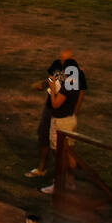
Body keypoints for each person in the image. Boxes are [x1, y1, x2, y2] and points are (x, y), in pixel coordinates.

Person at [27, 50, 88, 187]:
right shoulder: (61, 70)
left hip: (61, 113)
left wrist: (74, 112)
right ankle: (44, 169)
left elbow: (79, 94)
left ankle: (62, 181)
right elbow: (51, 79)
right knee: (44, 136)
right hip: (52, 111)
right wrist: (44, 84)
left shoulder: (75, 75)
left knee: (61, 148)